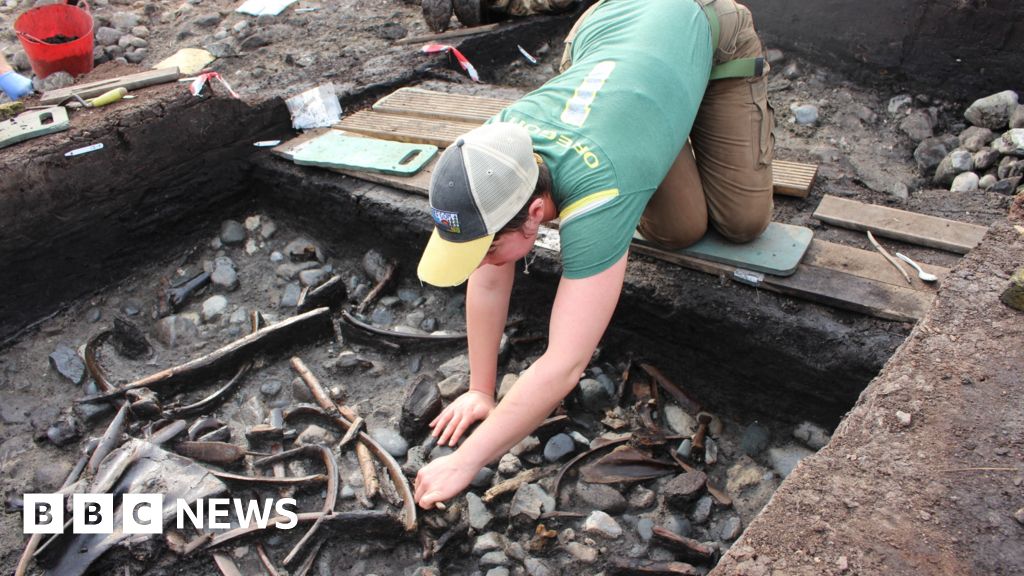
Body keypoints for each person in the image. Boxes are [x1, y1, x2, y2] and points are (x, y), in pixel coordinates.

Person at [413, 0, 774, 509]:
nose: (481, 263)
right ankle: (660, 113)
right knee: (679, 230)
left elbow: (565, 364)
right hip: (602, 26)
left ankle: (685, 96)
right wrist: (480, 390)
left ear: (536, 211)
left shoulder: (599, 194)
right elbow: (491, 274)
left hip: (698, 19)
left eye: (486, 248)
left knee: (741, 222)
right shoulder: (489, 152)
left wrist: (466, 460)